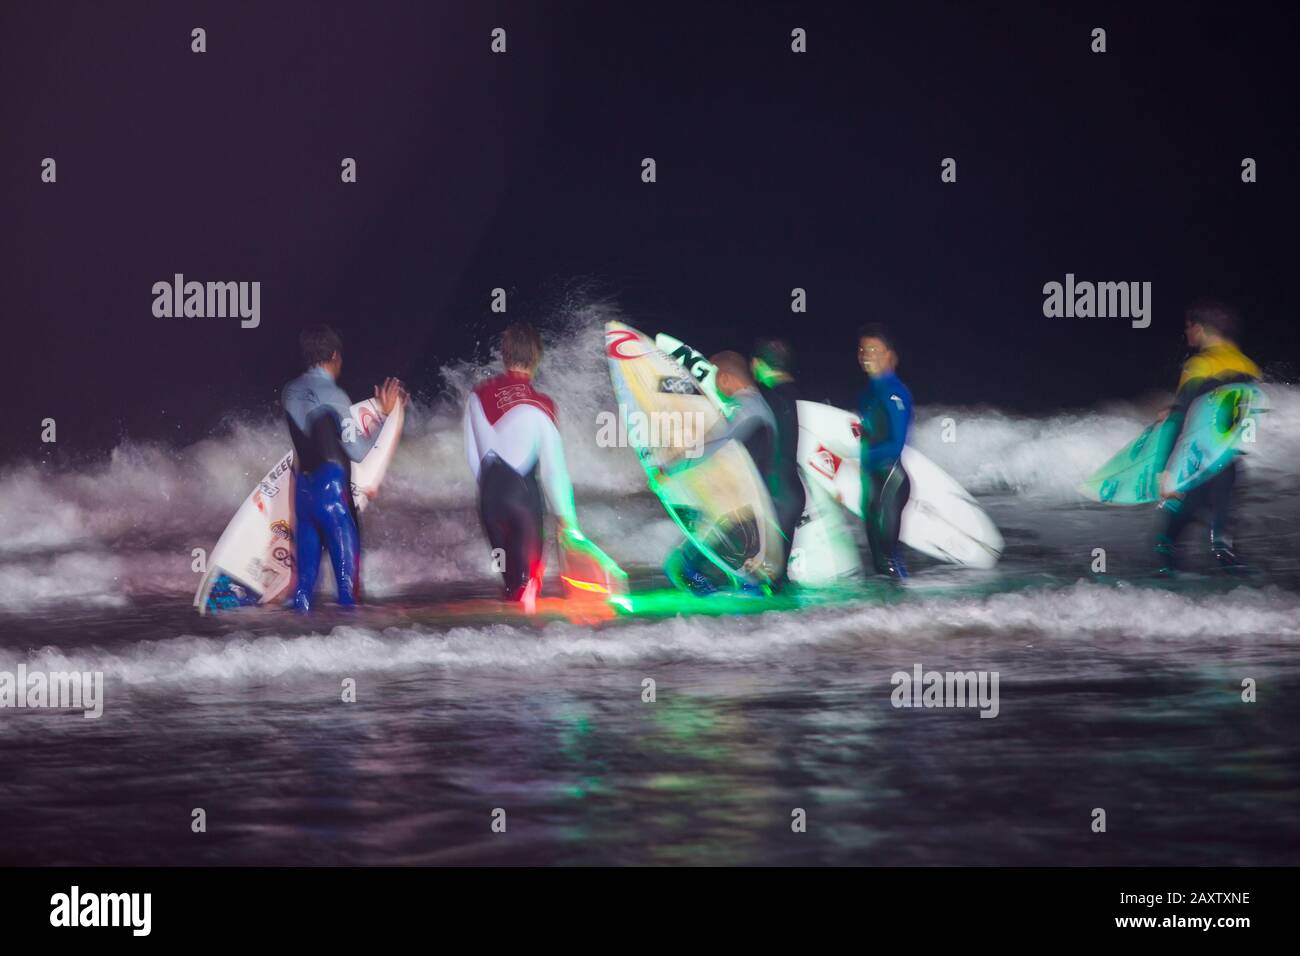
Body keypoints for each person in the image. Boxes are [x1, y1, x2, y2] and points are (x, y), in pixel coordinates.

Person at [282, 325, 404, 612]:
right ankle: (352, 649)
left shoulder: (289, 391)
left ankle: (294, 647)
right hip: (332, 495)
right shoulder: (335, 395)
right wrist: (384, 416)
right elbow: (358, 451)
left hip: (303, 493)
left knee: (302, 592)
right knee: (348, 593)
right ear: (335, 356)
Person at [464, 321, 579, 609]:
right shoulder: (542, 404)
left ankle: (504, 648)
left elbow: (472, 455)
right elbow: (554, 470)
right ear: (536, 358)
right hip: (523, 501)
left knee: (511, 587)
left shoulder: (477, 395)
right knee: (529, 592)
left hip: (489, 500)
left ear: (504, 355)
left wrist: (493, 491)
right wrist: (567, 520)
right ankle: (526, 649)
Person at [1152, 299, 1261, 573]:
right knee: (1223, 540)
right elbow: (1240, 420)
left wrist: (1167, 471)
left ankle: (1163, 594)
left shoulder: (1200, 364)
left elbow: (1183, 420)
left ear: (1200, 329)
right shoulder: (1250, 366)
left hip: (1197, 463)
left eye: (1188, 327)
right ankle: (1243, 600)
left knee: (1168, 539)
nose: (1187, 333)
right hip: (1229, 463)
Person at [663, 351, 780, 594]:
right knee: (739, 575)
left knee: (683, 566)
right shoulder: (756, 406)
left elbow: (717, 444)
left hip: (741, 509)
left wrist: (673, 467)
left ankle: (728, 617)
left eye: (716, 379)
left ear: (726, 378)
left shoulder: (747, 407)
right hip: (744, 505)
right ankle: (750, 618)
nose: (715, 386)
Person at [857, 324, 913, 578]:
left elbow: (896, 445)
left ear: (890, 356)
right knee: (878, 562)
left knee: (889, 559)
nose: (866, 354)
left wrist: (862, 457)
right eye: (862, 349)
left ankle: (907, 612)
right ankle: (885, 615)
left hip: (890, 479)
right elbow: (874, 433)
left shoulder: (895, 392)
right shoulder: (867, 393)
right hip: (872, 482)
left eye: (874, 349)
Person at [751, 338, 806, 589]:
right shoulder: (796, 397)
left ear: (758, 364)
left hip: (777, 494)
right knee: (777, 579)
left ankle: (774, 626)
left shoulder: (770, 399)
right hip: (792, 490)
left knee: (769, 579)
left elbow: (761, 449)